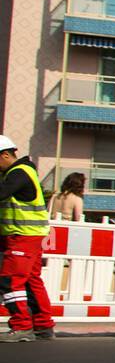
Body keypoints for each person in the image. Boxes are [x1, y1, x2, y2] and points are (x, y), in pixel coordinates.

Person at [0, 135, 55, 341]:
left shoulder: (18, 173)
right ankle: (43, 325)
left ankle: (22, 326)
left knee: (11, 280)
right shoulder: (21, 172)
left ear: (5, 155)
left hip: (23, 237)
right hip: (30, 236)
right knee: (32, 280)